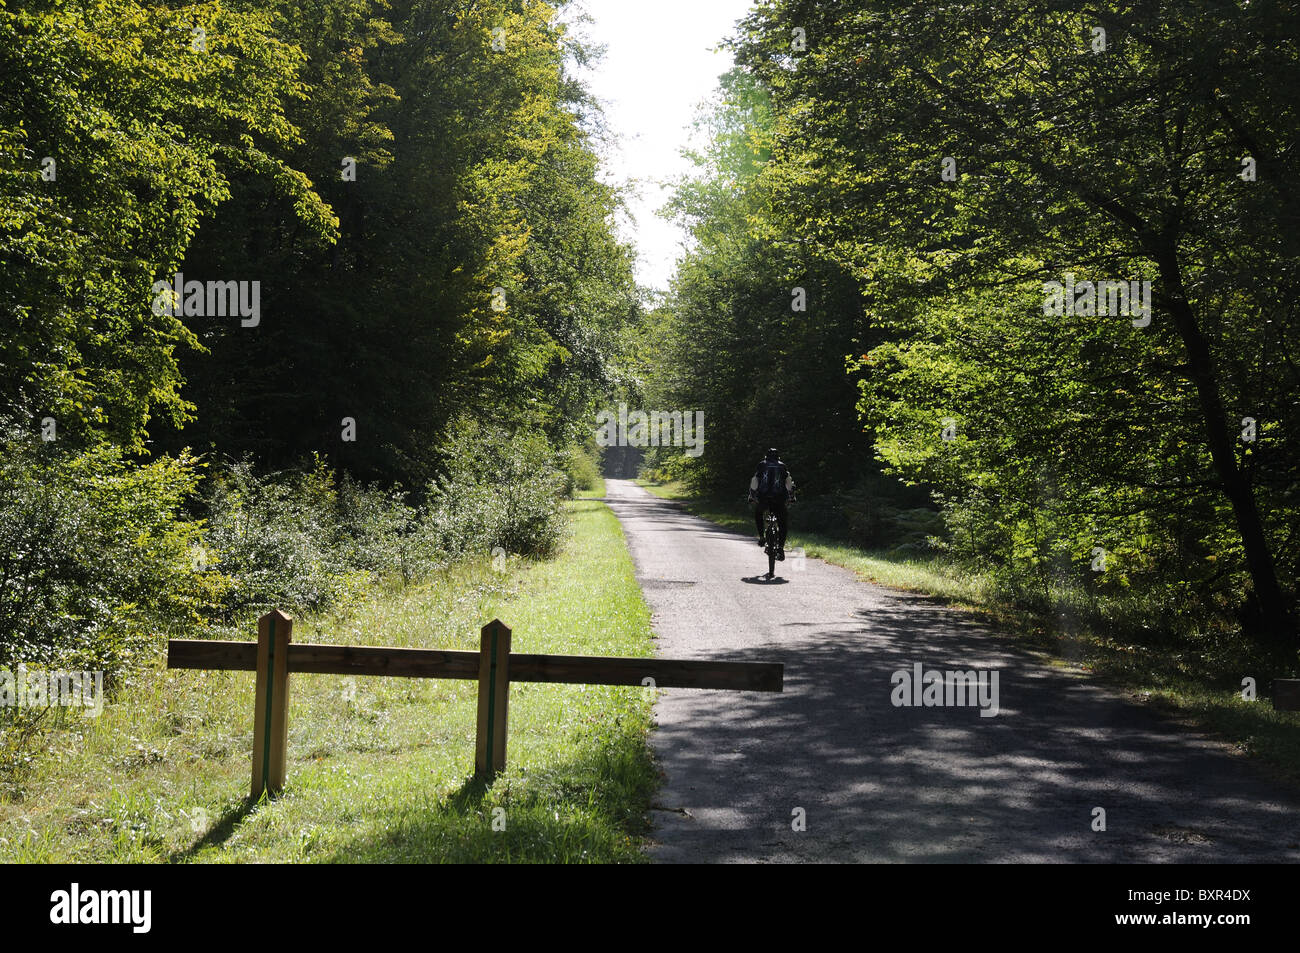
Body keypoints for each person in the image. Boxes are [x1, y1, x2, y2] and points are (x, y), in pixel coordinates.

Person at [748, 448, 796, 559]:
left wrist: (752, 496)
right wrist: (792, 497)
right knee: (783, 523)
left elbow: (755, 481)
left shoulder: (761, 465)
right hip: (779, 499)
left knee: (758, 514)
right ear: (778, 457)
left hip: (764, 498)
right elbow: (789, 483)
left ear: (766, 456)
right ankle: (780, 547)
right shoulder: (782, 466)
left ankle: (761, 537)